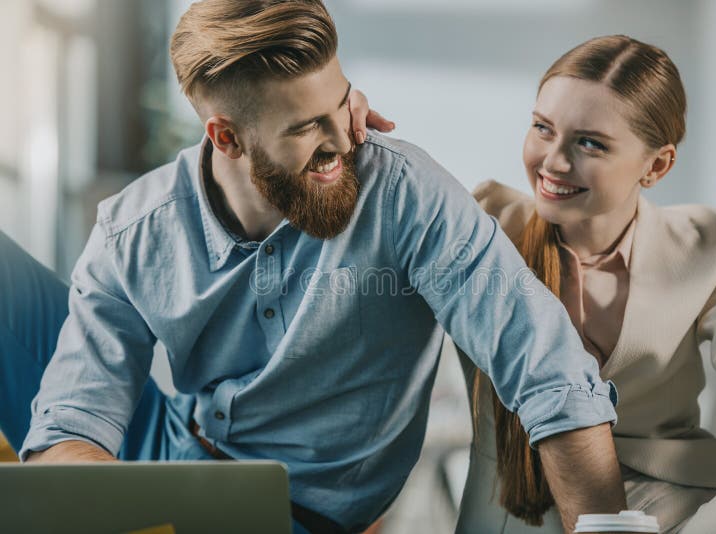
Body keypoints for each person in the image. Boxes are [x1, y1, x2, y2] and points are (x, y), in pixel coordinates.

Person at [0, 3, 630, 533]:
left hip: (298, 513)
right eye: (306, 126)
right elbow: (69, 427)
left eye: (342, 102)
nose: (346, 138)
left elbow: (548, 370)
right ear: (226, 137)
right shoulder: (133, 230)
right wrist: (123, 502)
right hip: (170, 456)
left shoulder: (404, 193)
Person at [431, 35, 716, 534]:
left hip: (675, 501)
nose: (553, 162)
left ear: (657, 165)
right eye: (543, 128)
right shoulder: (484, 223)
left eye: (590, 143)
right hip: (522, 505)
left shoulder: (709, 243)